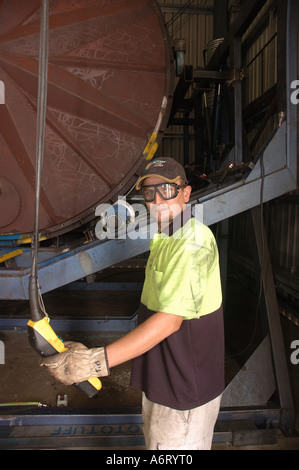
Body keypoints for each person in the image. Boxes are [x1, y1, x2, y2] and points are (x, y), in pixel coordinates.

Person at [41, 157, 225, 450]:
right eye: (149, 192)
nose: (156, 199)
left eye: (166, 189)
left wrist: (97, 360)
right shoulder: (166, 237)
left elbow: (169, 321)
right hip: (163, 379)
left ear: (186, 193)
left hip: (185, 389)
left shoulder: (192, 243)